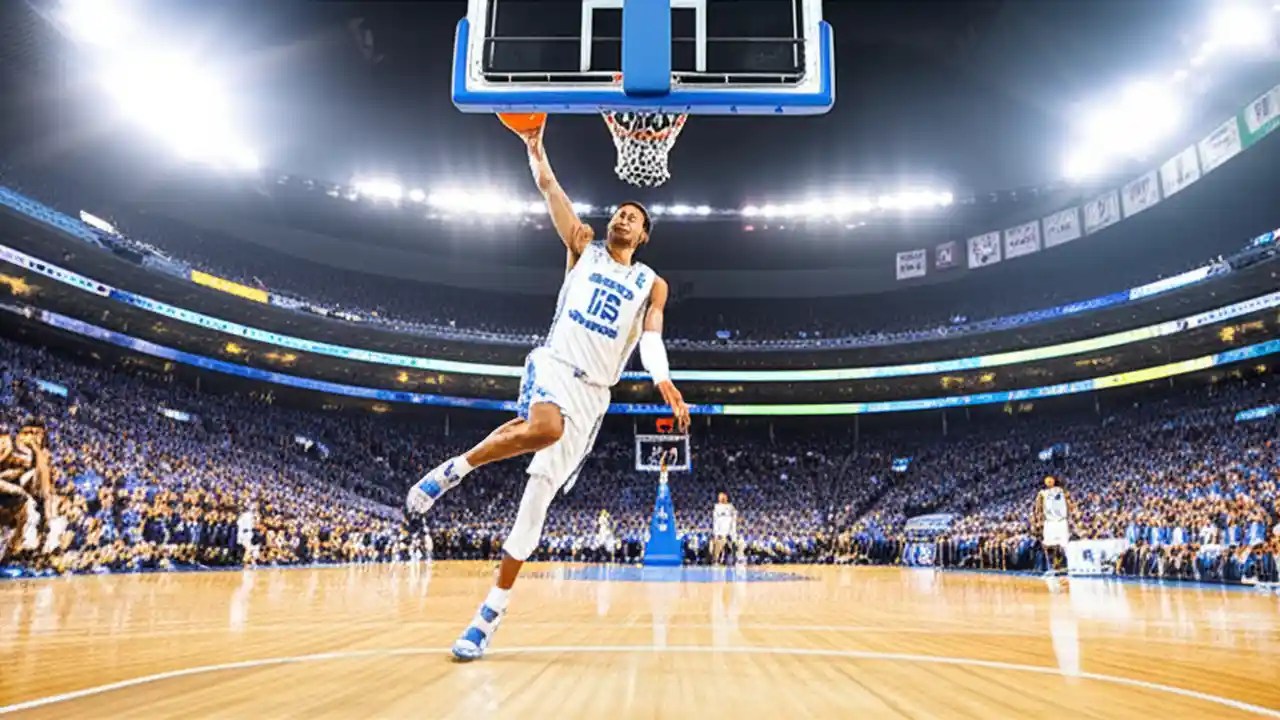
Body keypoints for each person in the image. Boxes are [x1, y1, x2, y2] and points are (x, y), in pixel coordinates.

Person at [405, 117, 691, 661]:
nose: (622, 218)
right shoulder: (583, 247)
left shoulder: (651, 283)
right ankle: (454, 471)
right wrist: (535, 147)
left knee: (534, 507)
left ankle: (488, 616)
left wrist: (665, 383)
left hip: (594, 395)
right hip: (555, 362)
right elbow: (549, 189)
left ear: (645, 234)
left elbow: (650, 340)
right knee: (543, 426)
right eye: (619, 213)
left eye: (633, 217)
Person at [0, 417, 54, 561]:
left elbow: (45, 490)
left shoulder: (40, 457)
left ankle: (16, 550)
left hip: (16, 503)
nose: (32, 437)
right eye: (28, 432)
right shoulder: (7, 445)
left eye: (37, 433)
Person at [1033, 476, 1073, 575]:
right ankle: (1053, 566)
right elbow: (1037, 507)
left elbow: (1069, 504)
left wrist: (1070, 513)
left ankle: (1065, 565)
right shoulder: (1042, 493)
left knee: (1063, 545)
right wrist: (1037, 517)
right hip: (1050, 521)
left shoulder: (1063, 492)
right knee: (1049, 545)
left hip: (1061, 520)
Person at [711, 491, 737, 565]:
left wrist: (732, 531)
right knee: (718, 546)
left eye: (723, 496)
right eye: (720, 496)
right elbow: (715, 521)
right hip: (720, 530)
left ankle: (733, 559)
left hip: (730, 530)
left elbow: (734, 519)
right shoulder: (716, 507)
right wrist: (716, 533)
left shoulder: (731, 507)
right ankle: (716, 560)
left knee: (732, 545)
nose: (721, 498)